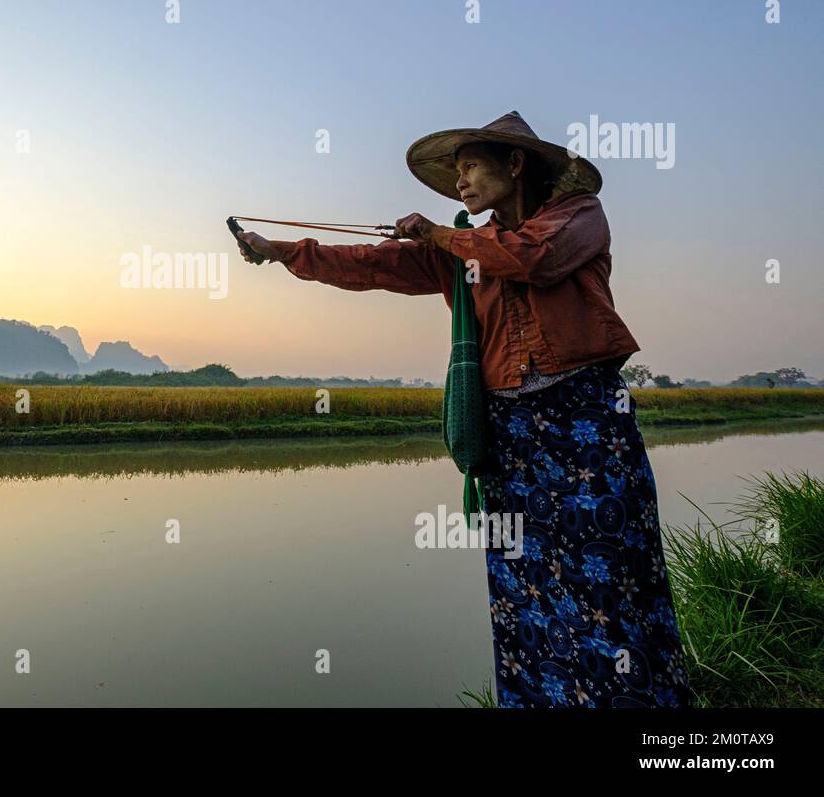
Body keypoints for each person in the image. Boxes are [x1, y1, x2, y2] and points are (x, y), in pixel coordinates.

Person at [236, 110, 693, 708]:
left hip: (584, 420)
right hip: (506, 429)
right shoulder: (457, 251)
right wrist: (282, 250)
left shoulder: (575, 216)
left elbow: (532, 258)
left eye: (471, 166)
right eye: (455, 172)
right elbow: (374, 266)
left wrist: (436, 234)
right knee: (524, 577)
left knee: (605, 571)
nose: (461, 182)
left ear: (516, 164)